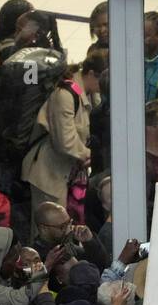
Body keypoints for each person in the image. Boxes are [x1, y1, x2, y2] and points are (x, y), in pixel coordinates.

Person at [22, 53, 101, 216]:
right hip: (48, 175)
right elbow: (65, 140)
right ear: (92, 74)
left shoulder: (89, 94)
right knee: (49, 229)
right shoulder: (65, 94)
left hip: (66, 173)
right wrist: (89, 155)